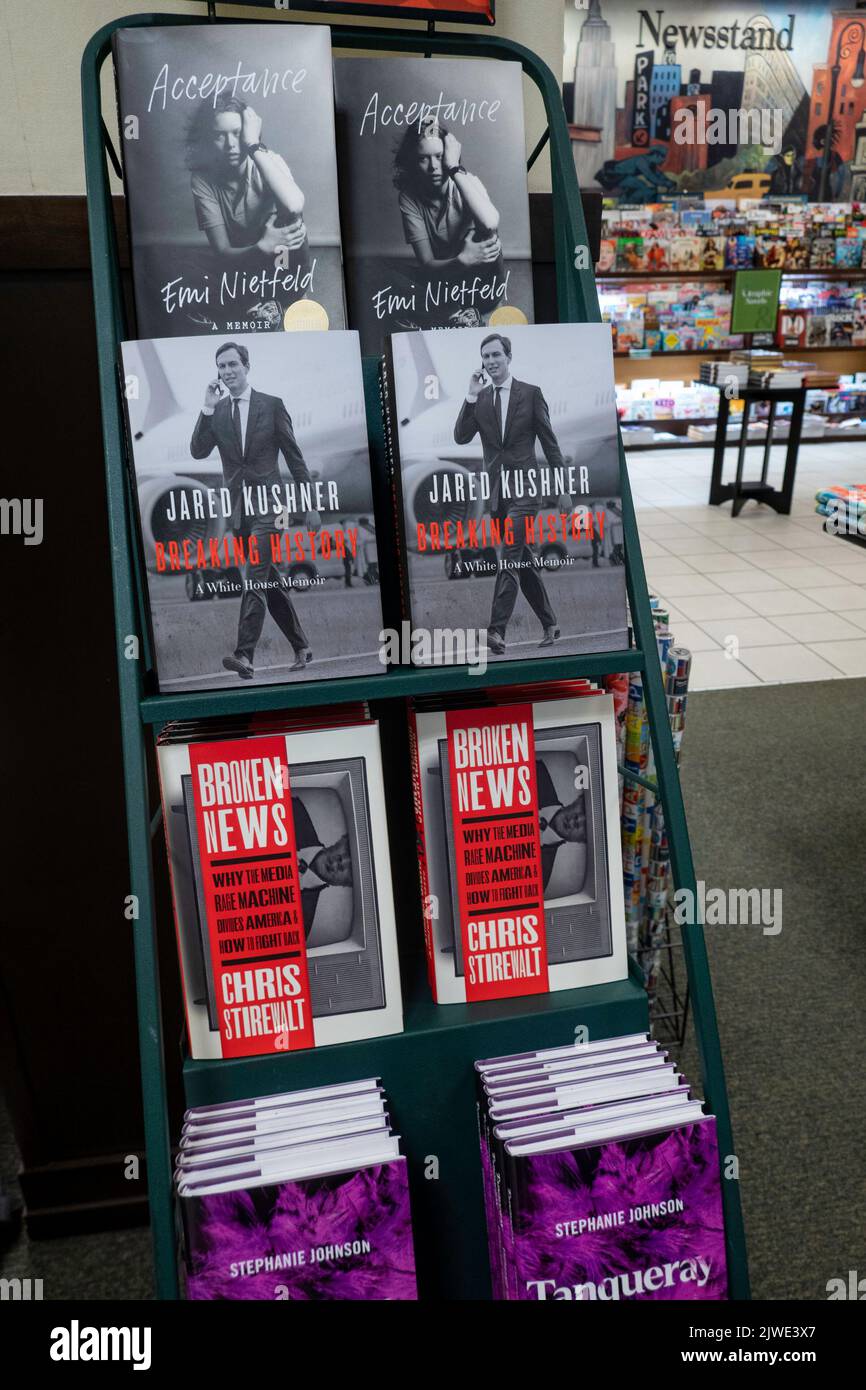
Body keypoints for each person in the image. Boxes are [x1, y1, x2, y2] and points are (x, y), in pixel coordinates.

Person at [189, 341, 319, 679]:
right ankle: (302, 646)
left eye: (233, 364)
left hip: (272, 507)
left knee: (255, 577)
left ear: (246, 366)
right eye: (221, 366)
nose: (227, 371)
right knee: (270, 580)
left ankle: (244, 656)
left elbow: (294, 456)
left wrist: (311, 506)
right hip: (240, 511)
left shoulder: (272, 405)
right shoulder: (217, 412)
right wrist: (205, 408)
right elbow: (198, 452)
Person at [453, 333, 567, 655]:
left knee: (510, 556)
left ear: (508, 357)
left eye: (496, 356)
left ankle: (496, 631)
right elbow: (461, 437)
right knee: (524, 560)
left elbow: (550, 442)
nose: (490, 362)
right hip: (497, 495)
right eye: (485, 357)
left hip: (526, 490)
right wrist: (471, 396)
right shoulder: (483, 399)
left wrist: (563, 489)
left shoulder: (530, 394)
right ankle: (551, 623)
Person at [186, 94, 310, 279]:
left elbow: (294, 205)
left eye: (237, 133)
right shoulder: (202, 179)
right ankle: (255, 300)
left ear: (247, 132)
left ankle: (292, 293)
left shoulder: (268, 161)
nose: (231, 145)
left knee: (291, 217)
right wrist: (263, 246)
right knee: (188, 268)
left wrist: (253, 145)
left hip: (285, 258)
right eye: (219, 135)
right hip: (245, 258)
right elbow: (222, 251)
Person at [291, 797, 353, 940]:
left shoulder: (300, 926)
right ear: (342, 839)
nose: (342, 861)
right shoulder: (294, 810)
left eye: (351, 871)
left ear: (345, 885)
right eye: (349, 850)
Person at [535, 759, 587, 894]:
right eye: (584, 809)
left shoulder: (540, 879)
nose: (578, 820)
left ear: (582, 841)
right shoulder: (537, 772)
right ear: (578, 799)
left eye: (586, 827)